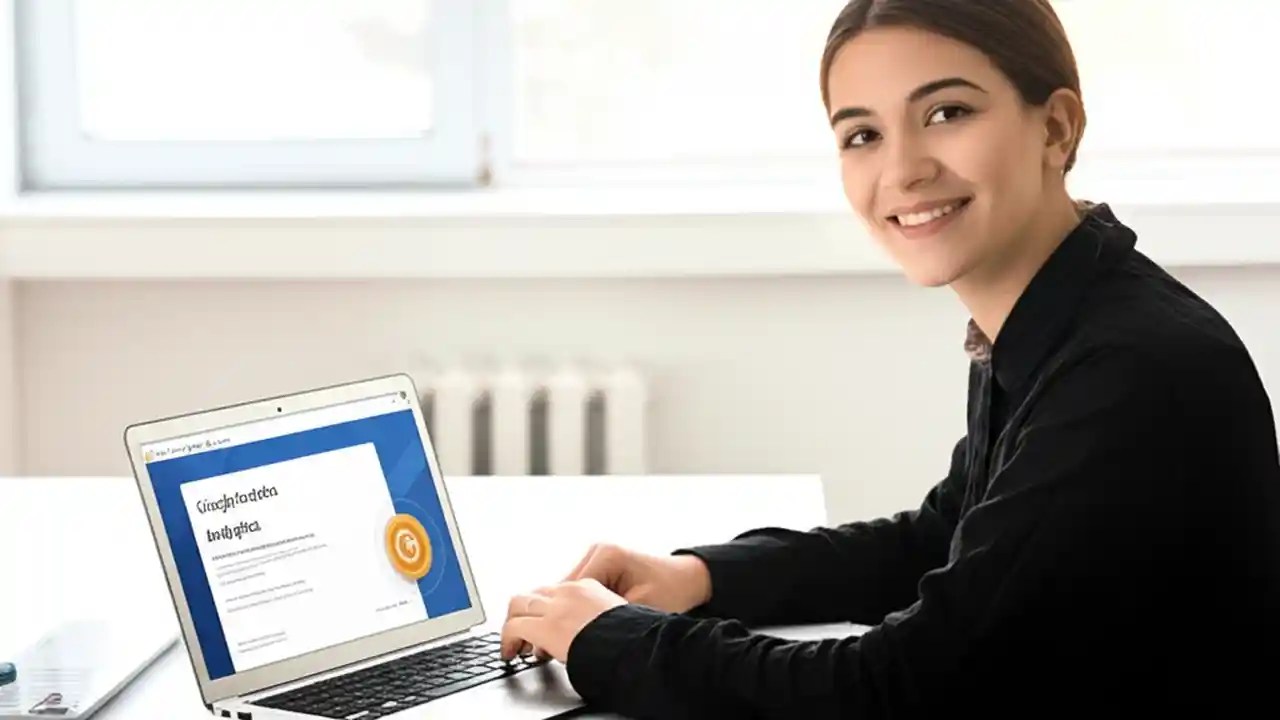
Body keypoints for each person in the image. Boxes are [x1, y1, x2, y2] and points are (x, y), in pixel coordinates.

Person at [499, 0, 1280, 717]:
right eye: (862, 135)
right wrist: (700, 576)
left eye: (947, 113)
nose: (903, 170)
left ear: (1056, 128)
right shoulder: (1057, 319)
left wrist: (615, 641)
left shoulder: (1128, 373)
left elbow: (901, 686)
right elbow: (940, 538)